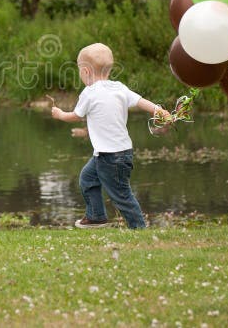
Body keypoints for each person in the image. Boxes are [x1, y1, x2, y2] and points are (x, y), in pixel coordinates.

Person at [51, 42, 169, 229]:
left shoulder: (89, 93)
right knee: (87, 179)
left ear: (86, 72)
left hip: (111, 157)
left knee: (121, 195)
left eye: (80, 70)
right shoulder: (119, 87)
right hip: (113, 153)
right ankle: (96, 216)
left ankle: (139, 228)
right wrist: (158, 110)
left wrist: (59, 114)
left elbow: (75, 116)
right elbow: (140, 101)